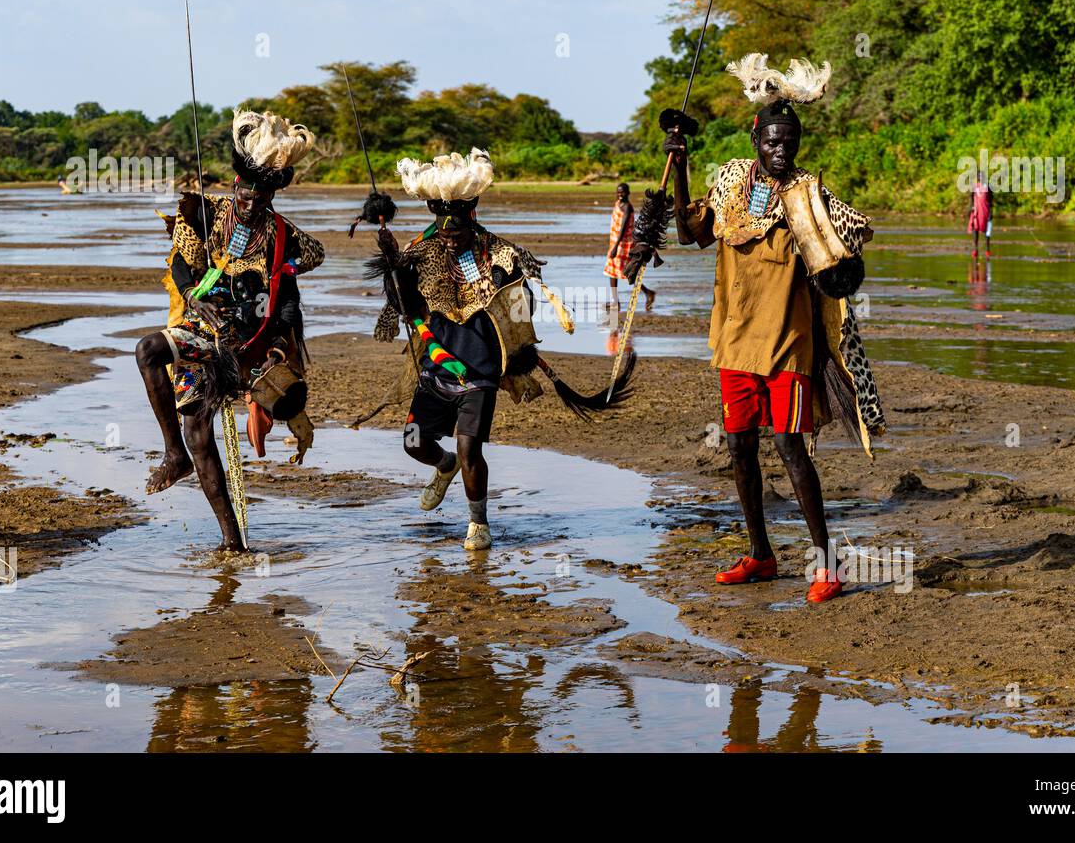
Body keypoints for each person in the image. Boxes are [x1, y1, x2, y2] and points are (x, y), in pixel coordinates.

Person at [667, 52, 885, 603]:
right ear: (754, 135)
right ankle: (761, 555)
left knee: (791, 450)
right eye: (772, 139)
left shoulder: (811, 194)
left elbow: (853, 244)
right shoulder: (731, 181)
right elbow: (690, 234)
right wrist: (681, 164)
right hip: (734, 343)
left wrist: (838, 263)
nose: (781, 149)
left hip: (790, 347)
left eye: (790, 140)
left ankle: (826, 566)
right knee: (739, 450)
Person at [369, 149, 635, 552]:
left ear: (471, 217)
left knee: (469, 446)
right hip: (435, 370)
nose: (452, 236)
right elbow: (404, 306)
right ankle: (443, 467)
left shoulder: (501, 253)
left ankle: (477, 524)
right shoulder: (417, 252)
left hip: (479, 372)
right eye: (445, 231)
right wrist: (391, 264)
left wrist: (515, 347)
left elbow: (519, 311)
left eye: (458, 230)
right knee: (411, 442)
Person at [135, 110, 323, 551]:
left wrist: (279, 347)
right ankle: (183, 468)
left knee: (213, 425)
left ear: (272, 197)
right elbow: (182, 262)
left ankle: (233, 540)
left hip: (249, 346)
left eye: (261, 198)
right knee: (151, 358)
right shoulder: (205, 214)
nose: (251, 204)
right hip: (202, 331)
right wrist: (192, 295)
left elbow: (289, 298)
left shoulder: (282, 236)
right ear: (235, 185)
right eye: (245, 194)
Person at [604, 183, 655, 314]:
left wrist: (615, 247)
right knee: (612, 272)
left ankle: (648, 293)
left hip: (623, 244)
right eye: (618, 192)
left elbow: (623, 228)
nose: (620, 194)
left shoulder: (627, 207)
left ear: (628, 193)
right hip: (615, 242)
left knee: (628, 273)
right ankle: (616, 301)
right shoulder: (618, 204)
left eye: (623, 192)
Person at [967, 175, 993, 257]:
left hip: (986, 211)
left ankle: (988, 250)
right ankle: (975, 250)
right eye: (979, 176)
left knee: (987, 232)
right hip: (977, 211)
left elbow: (991, 199)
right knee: (975, 229)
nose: (981, 178)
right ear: (977, 177)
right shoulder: (974, 186)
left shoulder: (988, 187)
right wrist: (972, 207)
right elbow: (971, 196)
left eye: (982, 176)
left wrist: (991, 212)